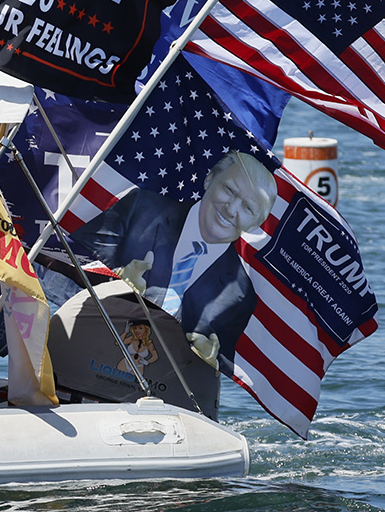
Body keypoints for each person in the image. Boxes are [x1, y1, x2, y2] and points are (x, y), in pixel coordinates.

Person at [70, 151, 274, 368]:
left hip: (163, 385)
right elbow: (69, 260)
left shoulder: (240, 296)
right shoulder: (139, 208)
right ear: (209, 179)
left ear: (255, 224)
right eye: (229, 190)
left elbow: (216, 366)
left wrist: (205, 362)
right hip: (87, 350)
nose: (232, 209)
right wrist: (115, 282)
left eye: (248, 208)